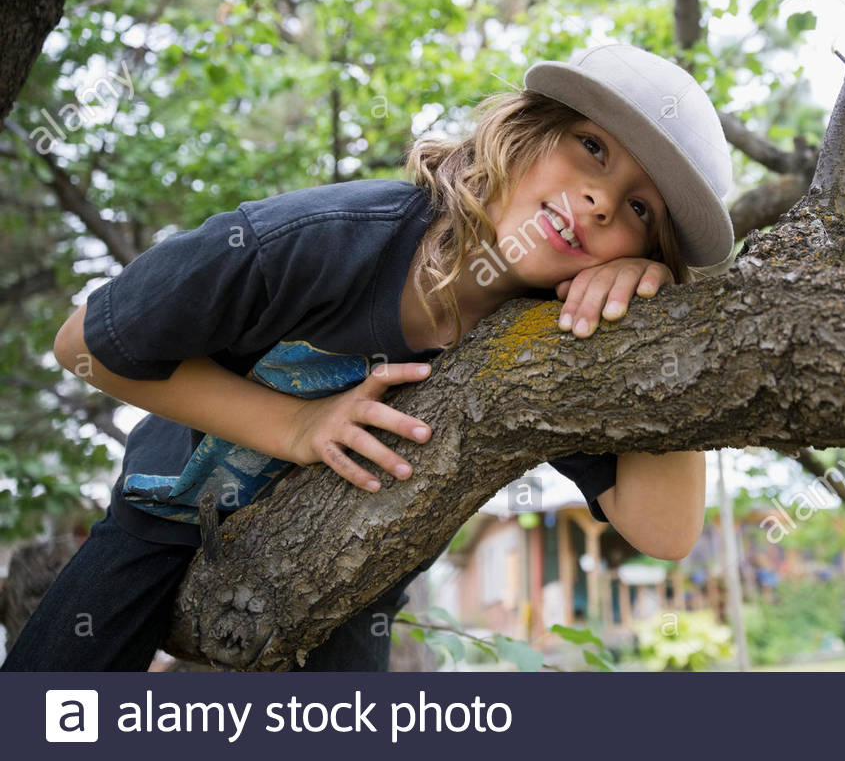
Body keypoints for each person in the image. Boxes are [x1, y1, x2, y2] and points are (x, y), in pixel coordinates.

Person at [1, 43, 735, 671]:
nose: (601, 201)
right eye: (592, 147)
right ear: (525, 131)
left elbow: (664, 531)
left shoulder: (556, 337)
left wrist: (659, 327)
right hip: (170, 513)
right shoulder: (320, 238)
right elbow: (83, 344)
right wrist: (296, 427)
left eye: (639, 210)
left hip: (346, 582)